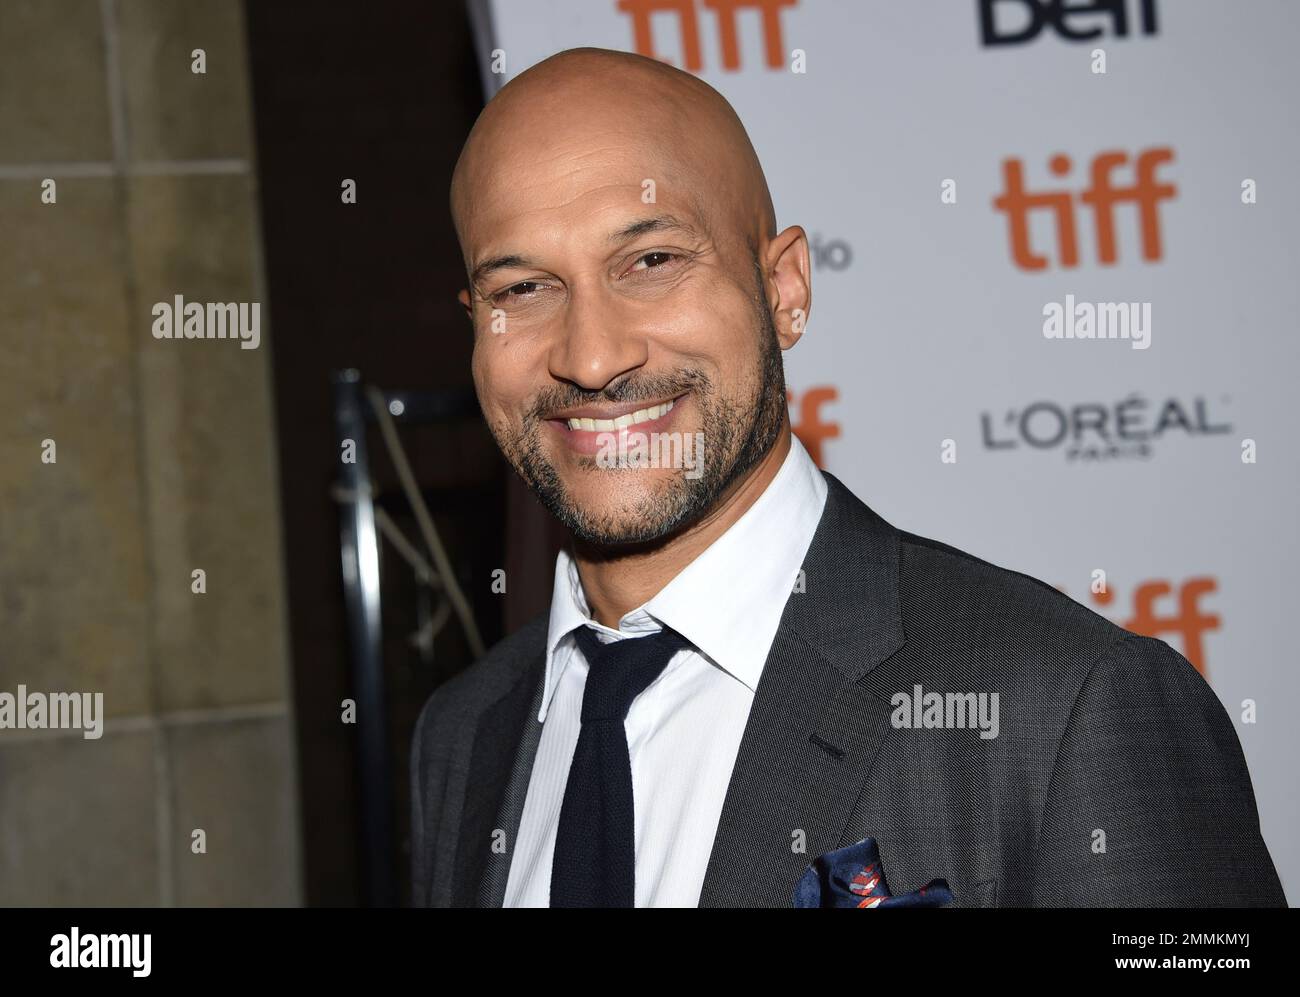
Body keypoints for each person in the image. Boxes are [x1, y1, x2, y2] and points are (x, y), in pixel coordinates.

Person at [410, 47, 1286, 908]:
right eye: (524, 288)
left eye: (652, 262)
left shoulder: (1066, 709)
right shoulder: (462, 735)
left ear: (784, 287)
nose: (591, 356)